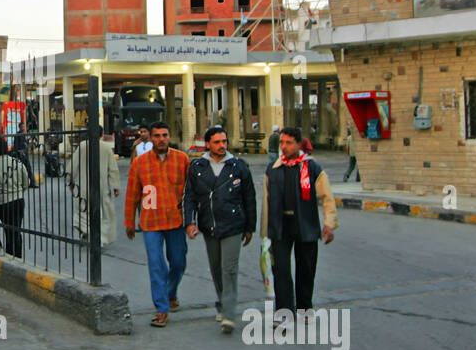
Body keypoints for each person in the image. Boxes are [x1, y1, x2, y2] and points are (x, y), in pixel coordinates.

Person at [184, 126, 256, 334]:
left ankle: (229, 314)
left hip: (233, 225)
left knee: (229, 269)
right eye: (217, 142)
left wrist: (250, 227)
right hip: (209, 225)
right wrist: (190, 222)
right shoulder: (198, 167)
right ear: (207, 144)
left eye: (224, 141)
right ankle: (222, 302)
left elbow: (249, 198)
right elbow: (190, 197)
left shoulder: (238, 166)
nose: (222, 145)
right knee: (216, 268)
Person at [261, 126, 337, 320]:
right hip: (280, 227)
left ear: (298, 144)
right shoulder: (274, 168)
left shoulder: (311, 168)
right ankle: (284, 311)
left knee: (306, 269)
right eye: (282, 143)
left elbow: (326, 197)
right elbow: (266, 202)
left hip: (305, 225)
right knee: (281, 271)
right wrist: (265, 232)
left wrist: (329, 223)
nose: (284, 147)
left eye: (288, 143)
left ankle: (304, 308)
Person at [124, 121, 191, 327]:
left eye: (164, 135)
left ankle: (171, 292)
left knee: (178, 262)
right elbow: (133, 193)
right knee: (156, 265)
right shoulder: (140, 163)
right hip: (150, 222)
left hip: (176, 220)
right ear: (150, 138)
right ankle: (161, 308)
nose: (161, 139)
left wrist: (192, 221)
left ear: (169, 136)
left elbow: (192, 193)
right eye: (157, 136)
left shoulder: (182, 160)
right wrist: (129, 221)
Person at [69, 126, 119, 247]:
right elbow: (112, 169)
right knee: (102, 212)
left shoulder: (82, 146)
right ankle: (99, 238)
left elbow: (73, 165)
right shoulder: (107, 148)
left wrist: (70, 180)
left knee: (84, 208)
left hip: (84, 185)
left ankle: (85, 231)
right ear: (102, 134)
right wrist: (115, 186)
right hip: (102, 186)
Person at [0, 137, 29, 258]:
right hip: (19, 201)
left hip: (4, 203)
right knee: (16, 231)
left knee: (8, 231)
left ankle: (9, 255)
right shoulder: (17, 163)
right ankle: (18, 256)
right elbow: (26, 183)